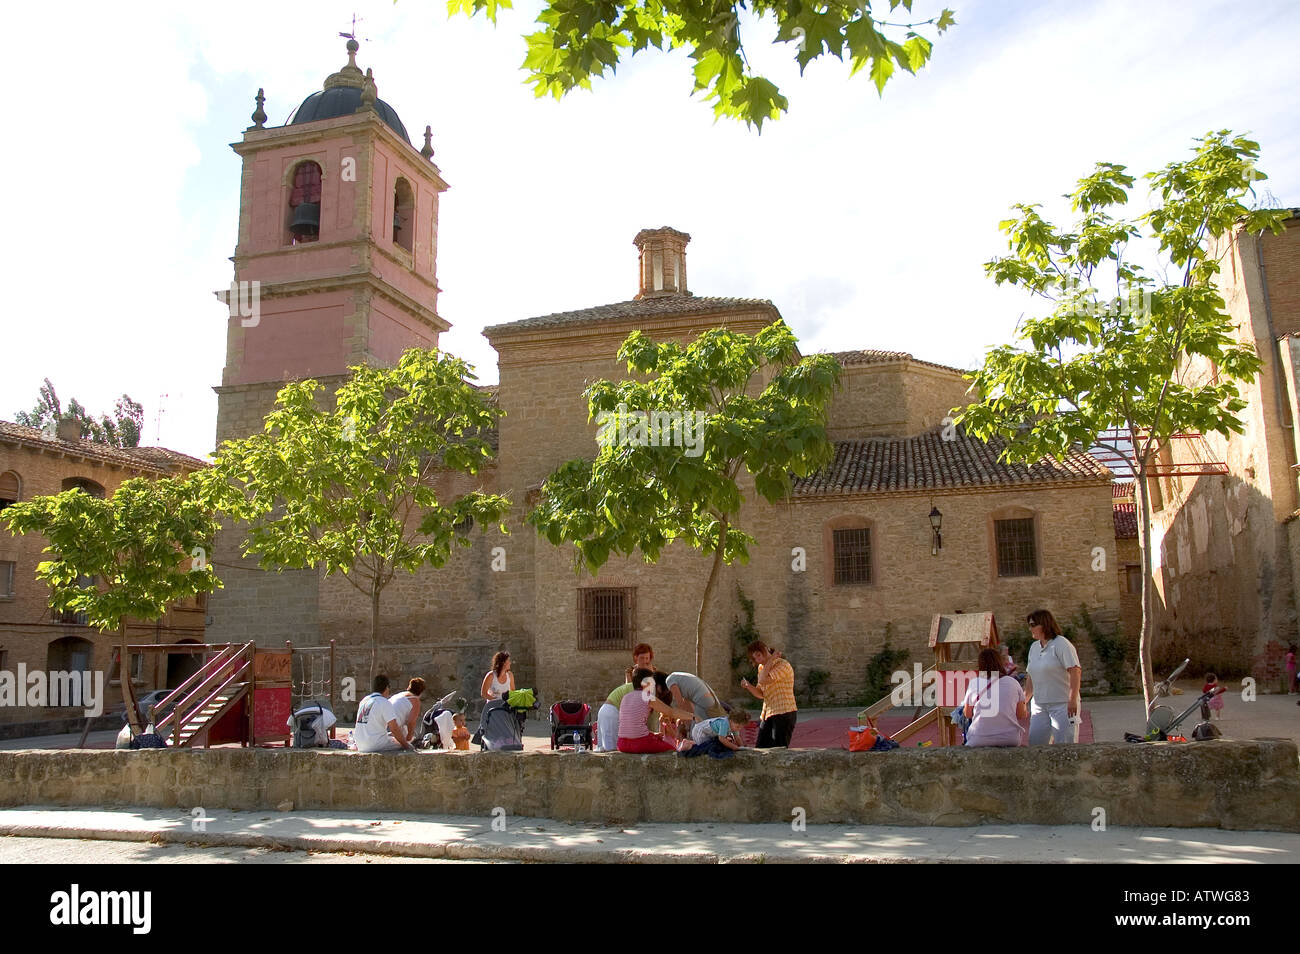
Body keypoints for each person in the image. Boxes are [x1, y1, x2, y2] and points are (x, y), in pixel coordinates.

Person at [1023, 609, 1082, 745]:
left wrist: (1072, 699)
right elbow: (1031, 676)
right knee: (1036, 744)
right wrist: (1024, 700)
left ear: (1043, 625)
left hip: (1062, 704)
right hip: (1039, 705)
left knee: (1066, 746)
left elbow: (1075, 671)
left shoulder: (1061, 644)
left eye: (1032, 625)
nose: (1029, 628)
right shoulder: (1034, 648)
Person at [617, 668, 696, 753]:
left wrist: (653, 735)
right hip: (639, 743)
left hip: (622, 743)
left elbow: (632, 726)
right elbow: (671, 712)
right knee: (672, 750)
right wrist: (693, 716)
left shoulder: (626, 697)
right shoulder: (646, 696)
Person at [962, 648, 1028, 747]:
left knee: (960, 714)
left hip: (979, 739)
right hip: (1010, 738)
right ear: (999, 662)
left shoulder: (974, 683)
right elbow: (1021, 715)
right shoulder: (1013, 682)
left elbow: (967, 714)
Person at [740, 640, 798, 748]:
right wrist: (748, 686)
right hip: (767, 713)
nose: (758, 660)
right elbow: (761, 694)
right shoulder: (761, 668)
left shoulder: (783, 665)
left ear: (766, 649)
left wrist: (771, 659)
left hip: (784, 712)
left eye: (758, 655)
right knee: (760, 749)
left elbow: (762, 680)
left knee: (778, 750)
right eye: (755, 658)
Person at [352, 675, 413, 752]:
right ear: (387, 688)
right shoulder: (384, 702)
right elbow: (394, 728)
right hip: (375, 744)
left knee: (393, 739)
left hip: (360, 744)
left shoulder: (364, 700)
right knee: (408, 746)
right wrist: (406, 745)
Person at [597, 666, 635, 752]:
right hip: (611, 713)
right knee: (611, 750)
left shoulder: (630, 687)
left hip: (605, 711)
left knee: (605, 748)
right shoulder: (635, 687)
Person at [679, 708, 750, 752]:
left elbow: (737, 738)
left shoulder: (734, 726)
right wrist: (734, 747)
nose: (739, 729)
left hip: (707, 733)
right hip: (700, 731)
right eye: (738, 726)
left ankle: (688, 742)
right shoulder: (724, 723)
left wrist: (742, 748)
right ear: (731, 720)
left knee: (709, 744)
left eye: (741, 727)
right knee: (704, 747)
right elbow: (721, 739)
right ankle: (687, 745)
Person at [388, 677, 425, 744]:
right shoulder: (415, 700)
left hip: (382, 728)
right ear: (421, 691)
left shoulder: (399, 695)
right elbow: (411, 722)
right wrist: (409, 737)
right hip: (392, 731)